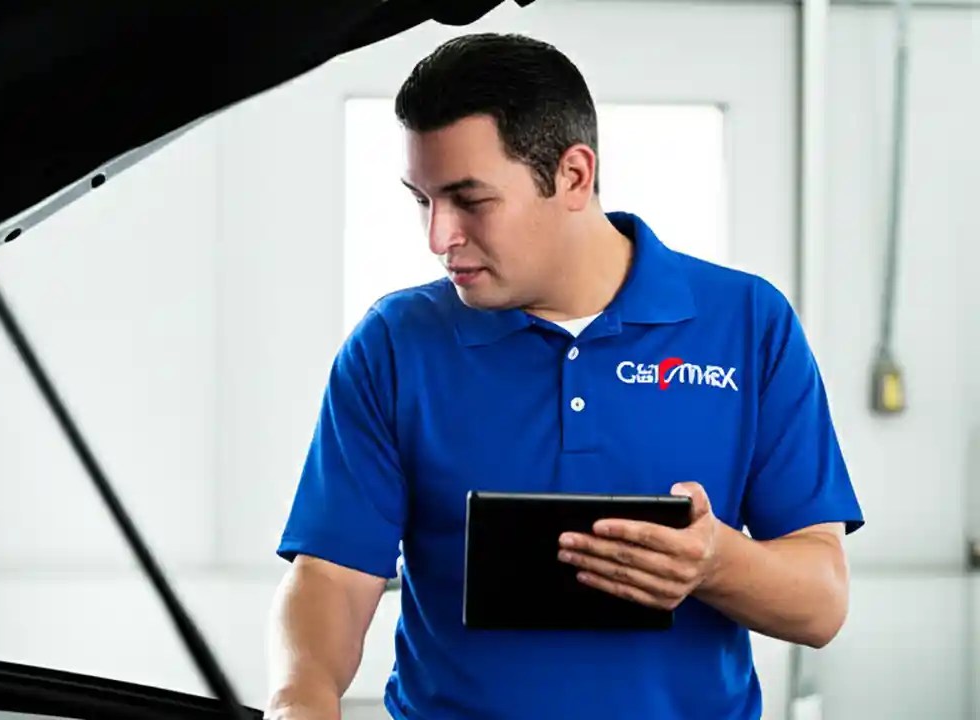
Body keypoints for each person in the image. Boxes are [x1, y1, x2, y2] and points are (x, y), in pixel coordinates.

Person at [264, 32, 863, 720]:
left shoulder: (749, 323)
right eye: (422, 200)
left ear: (574, 175)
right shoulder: (394, 344)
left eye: (470, 200)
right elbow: (332, 576)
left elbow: (821, 604)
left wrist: (715, 562)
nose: (438, 237)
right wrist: (297, 698)